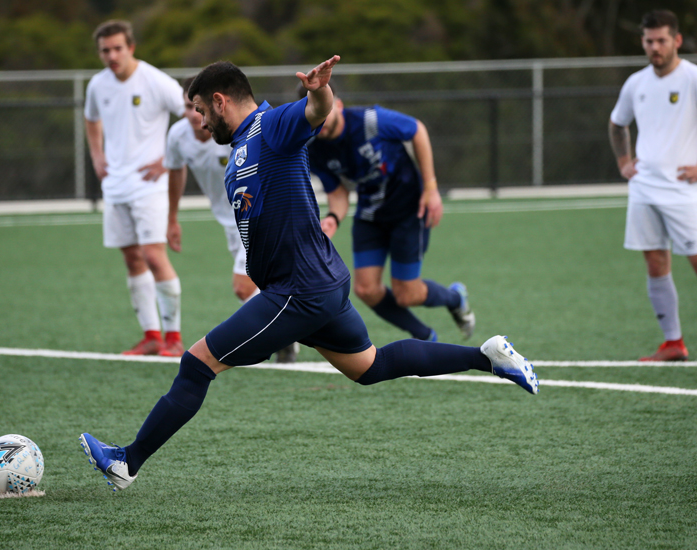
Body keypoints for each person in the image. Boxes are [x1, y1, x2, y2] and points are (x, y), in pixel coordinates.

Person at [79, 56, 539, 492]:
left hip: (298, 291)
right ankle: (487, 358)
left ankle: (127, 463)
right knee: (371, 367)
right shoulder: (242, 146)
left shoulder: (269, 126)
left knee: (197, 365)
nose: (199, 121)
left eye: (201, 110)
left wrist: (319, 92)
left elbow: (316, 111)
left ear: (220, 101)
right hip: (317, 284)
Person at [301, 88, 474, 343]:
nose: (319, 119)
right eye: (313, 113)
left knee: (407, 294)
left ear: (338, 104)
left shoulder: (371, 120)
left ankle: (455, 298)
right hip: (370, 215)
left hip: (409, 210)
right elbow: (338, 193)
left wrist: (430, 187)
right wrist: (333, 218)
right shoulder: (314, 148)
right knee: (366, 289)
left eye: (323, 109)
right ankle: (424, 336)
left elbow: (417, 130)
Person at [165, 77, 301, 363]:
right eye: (187, 108)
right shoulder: (177, 136)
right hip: (229, 222)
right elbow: (175, 171)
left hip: (255, 214)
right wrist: (172, 217)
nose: (194, 115)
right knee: (258, 287)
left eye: (197, 107)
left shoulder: (230, 132)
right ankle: (287, 333)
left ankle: (287, 331)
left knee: (244, 286)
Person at [84, 20, 185, 357]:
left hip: (150, 186)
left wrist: (167, 159)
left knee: (154, 256)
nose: (112, 56)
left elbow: (191, 112)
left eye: (117, 48)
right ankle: (151, 336)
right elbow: (91, 118)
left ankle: (174, 338)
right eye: (105, 50)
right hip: (115, 186)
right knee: (132, 259)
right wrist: (97, 155)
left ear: (131, 48)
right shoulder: (97, 85)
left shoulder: (156, 81)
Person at [609, 10, 697, 362]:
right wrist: (624, 162)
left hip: (684, 190)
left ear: (677, 40)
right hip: (644, 188)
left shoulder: (692, 78)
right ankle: (673, 343)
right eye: (649, 41)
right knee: (655, 263)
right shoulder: (636, 83)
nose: (655, 47)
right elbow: (617, 124)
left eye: (662, 40)